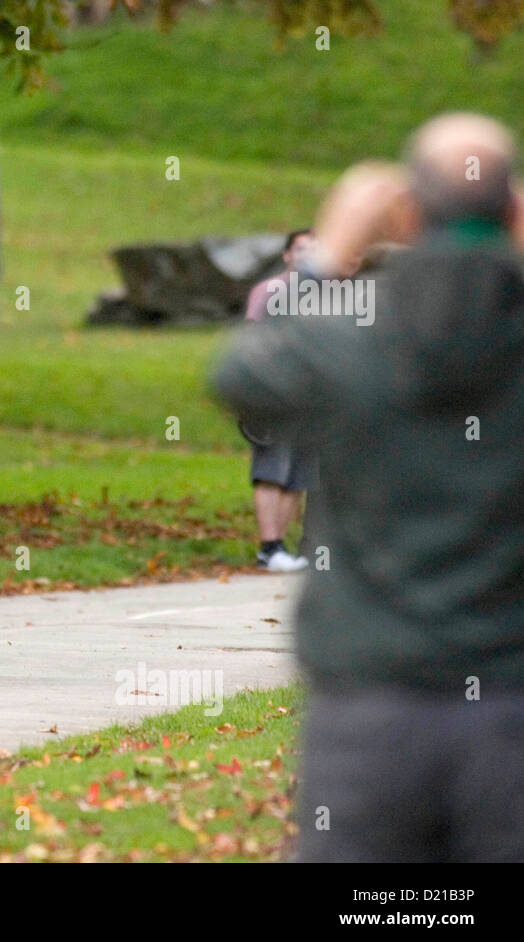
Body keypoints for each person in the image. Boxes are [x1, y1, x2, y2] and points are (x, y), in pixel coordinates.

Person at [213, 113, 524, 861]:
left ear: (407, 215)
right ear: (512, 212)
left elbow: (244, 375)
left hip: (371, 707)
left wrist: (325, 257)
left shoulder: (351, 342)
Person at [239, 228, 317, 571]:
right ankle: (268, 546)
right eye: (301, 249)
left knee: (298, 475)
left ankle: (279, 548)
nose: (307, 256)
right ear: (287, 255)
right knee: (272, 470)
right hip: (274, 394)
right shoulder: (270, 291)